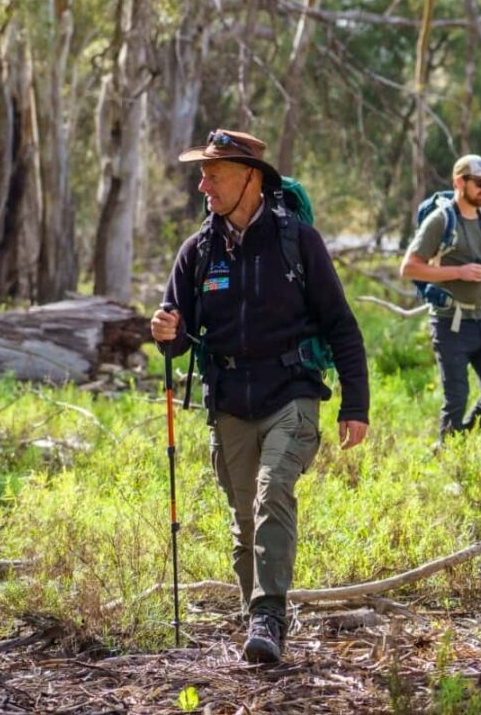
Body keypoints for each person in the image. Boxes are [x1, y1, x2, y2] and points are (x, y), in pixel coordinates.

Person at [151, 129, 369, 665]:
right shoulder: (197, 252)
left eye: (213, 174)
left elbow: (342, 325)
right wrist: (165, 331)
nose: (203, 185)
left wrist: (355, 406)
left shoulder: (298, 242)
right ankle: (258, 613)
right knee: (243, 517)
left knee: (273, 494)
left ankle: (269, 615)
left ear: (250, 177)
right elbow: (179, 338)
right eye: (202, 174)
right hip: (228, 401)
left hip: (290, 393)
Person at [400, 154, 481, 441]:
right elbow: (409, 268)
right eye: (479, 182)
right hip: (452, 323)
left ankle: (461, 444)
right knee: (456, 400)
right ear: (459, 182)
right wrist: (458, 272)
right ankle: (449, 461)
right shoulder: (441, 220)